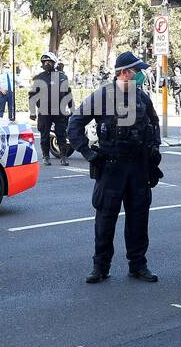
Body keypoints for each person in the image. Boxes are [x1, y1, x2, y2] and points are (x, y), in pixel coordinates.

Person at [68, 51, 160, 284]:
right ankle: (101, 266)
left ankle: (138, 265)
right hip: (111, 167)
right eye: (136, 71)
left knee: (139, 218)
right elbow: (74, 125)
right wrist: (89, 154)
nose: (140, 75)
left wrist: (154, 150)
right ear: (124, 72)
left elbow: (154, 124)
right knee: (106, 219)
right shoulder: (103, 96)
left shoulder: (142, 98)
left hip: (138, 167)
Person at [29, 52, 73, 166]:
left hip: (60, 111)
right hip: (44, 111)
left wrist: (72, 108)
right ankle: (46, 156)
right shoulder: (39, 78)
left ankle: (63, 157)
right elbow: (32, 96)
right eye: (45, 62)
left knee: (62, 135)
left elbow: (68, 94)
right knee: (44, 135)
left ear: (54, 63)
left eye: (49, 62)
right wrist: (32, 112)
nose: (47, 64)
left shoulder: (62, 77)